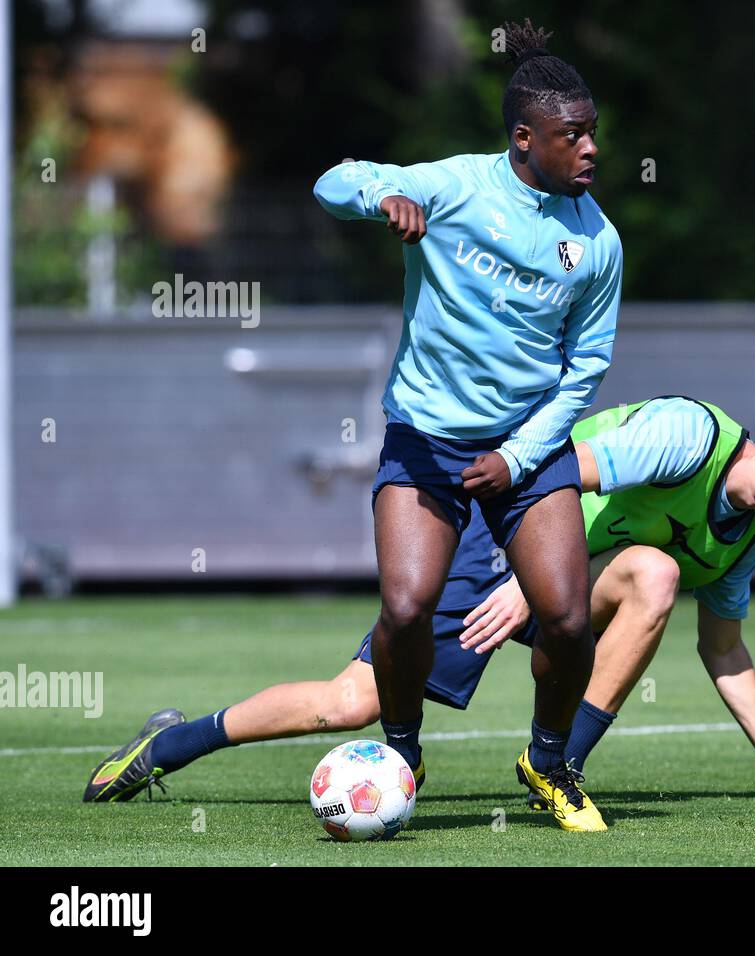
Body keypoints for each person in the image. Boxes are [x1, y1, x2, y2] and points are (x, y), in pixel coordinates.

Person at [86, 19, 624, 833]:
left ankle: (549, 766)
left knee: (568, 614)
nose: (590, 148)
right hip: (427, 441)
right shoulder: (456, 186)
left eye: (592, 132)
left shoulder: (599, 243)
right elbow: (333, 182)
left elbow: (584, 367)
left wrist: (518, 456)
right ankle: (402, 753)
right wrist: (385, 196)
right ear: (524, 140)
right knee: (404, 610)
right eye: (570, 135)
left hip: (524, 453)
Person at [84, 397, 755, 816]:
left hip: (564, 584)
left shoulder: (742, 541)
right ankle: (166, 745)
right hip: (504, 542)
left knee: (655, 577)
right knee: (347, 705)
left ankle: (553, 765)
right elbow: (561, 474)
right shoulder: (687, 435)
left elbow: (724, 650)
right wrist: (525, 578)